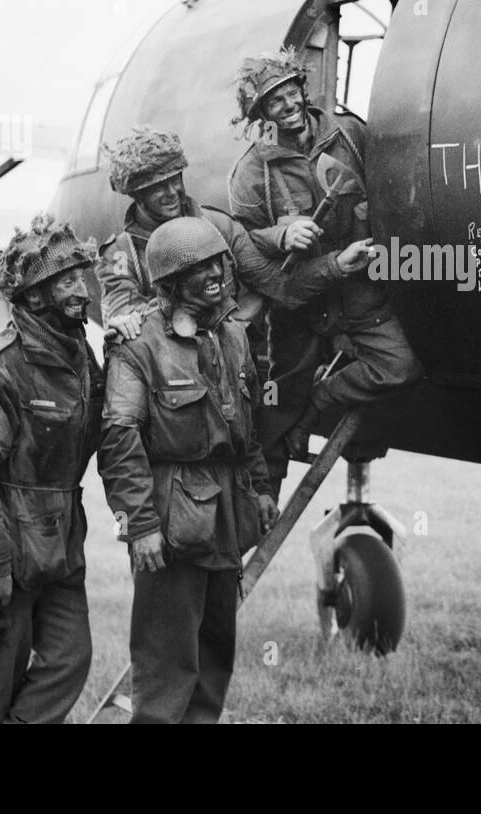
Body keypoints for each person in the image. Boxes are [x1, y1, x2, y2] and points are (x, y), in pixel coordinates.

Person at [98, 216, 275, 724]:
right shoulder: (138, 346)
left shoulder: (234, 335)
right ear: (171, 283)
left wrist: (260, 488)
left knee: (215, 653)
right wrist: (141, 527)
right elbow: (119, 441)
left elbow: (248, 425)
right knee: (166, 660)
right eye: (198, 268)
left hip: (226, 513)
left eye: (218, 261)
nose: (215, 274)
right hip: (171, 518)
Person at [228, 47, 422, 496]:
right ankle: (261, 501)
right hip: (300, 304)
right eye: (275, 101)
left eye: (292, 92)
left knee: (400, 365)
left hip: (361, 293)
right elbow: (244, 248)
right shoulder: (250, 173)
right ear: (262, 114)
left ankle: (321, 400)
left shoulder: (350, 134)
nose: (290, 106)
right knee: (277, 402)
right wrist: (281, 234)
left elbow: (394, 189)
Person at [0, 214, 102, 723]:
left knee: (69, 658)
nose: (82, 289)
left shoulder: (80, 351)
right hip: (6, 547)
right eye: (66, 280)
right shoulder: (3, 365)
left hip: (60, 542)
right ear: (34, 297)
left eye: (81, 275)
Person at [96, 126, 373, 349]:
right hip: (169, 379)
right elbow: (123, 313)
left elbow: (278, 284)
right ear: (135, 194)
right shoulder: (121, 254)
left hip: (230, 367)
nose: (171, 192)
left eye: (175, 179)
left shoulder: (219, 227)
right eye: (157, 186)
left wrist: (337, 265)